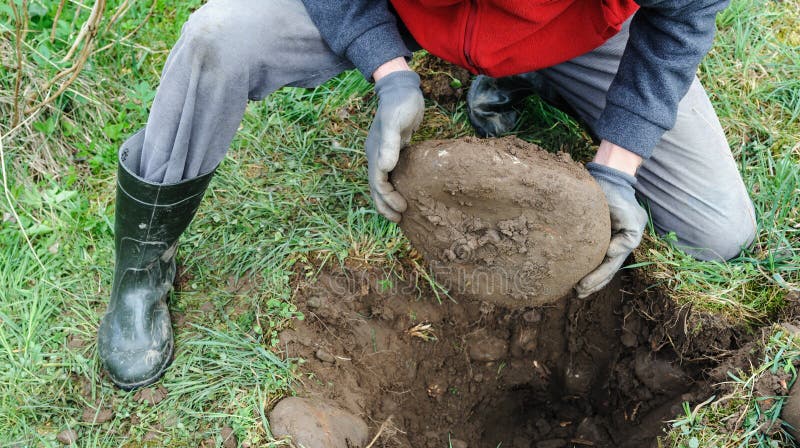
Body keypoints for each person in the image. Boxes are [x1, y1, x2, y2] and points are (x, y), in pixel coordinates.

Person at [97, 0, 757, 390]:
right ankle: (142, 263)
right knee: (220, 37)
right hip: (407, 10)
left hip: (573, 30)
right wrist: (385, 68)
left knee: (719, 228)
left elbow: (679, 23)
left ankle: (526, 76)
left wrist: (619, 164)